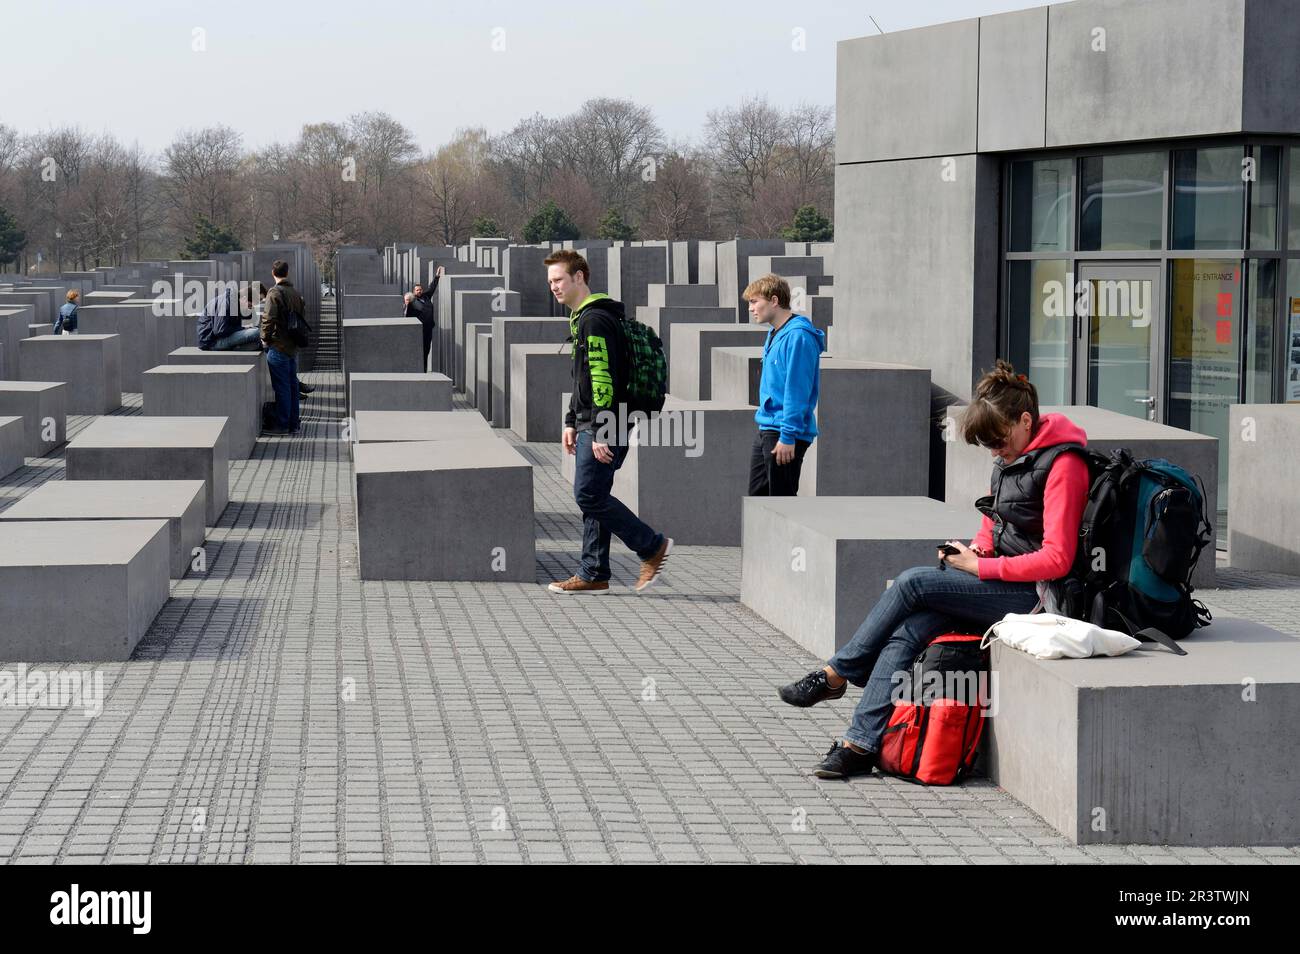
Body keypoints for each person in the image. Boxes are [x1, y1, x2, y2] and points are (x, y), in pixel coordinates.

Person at [777, 361, 1091, 779]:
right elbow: (992, 519)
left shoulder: (1065, 466)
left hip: (1037, 596)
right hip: (999, 579)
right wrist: (975, 549)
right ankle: (859, 744)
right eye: (988, 445)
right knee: (911, 628)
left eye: (998, 440)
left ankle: (837, 673)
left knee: (911, 582)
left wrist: (981, 567)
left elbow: (1058, 559)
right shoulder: (1014, 455)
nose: (995, 451)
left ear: (1026, 421)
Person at [546, 249, 672, 594]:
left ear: (579, 277)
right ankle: (594, 572)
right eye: (551, 282)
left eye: (558, 280)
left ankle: (651, 546)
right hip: (596, 421)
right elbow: (582, 379)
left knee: (588, 495)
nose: (554, 287)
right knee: (596, 493)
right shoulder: (586, 318)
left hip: (605, 423)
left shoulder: (594, 320)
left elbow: (603, 379)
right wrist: (571, 420)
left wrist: (602, 429)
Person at [745, 274, 824, 496]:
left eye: (754, 301)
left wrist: (788, 436)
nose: (751, 309)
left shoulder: (799, 336)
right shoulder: (774, 333)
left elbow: (797, 390)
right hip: (767, 427)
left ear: (774, 300)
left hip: (785, 432)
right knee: (757, 499)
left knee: (781, 503)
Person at [259, 259, 305, 435]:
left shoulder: (274, 293)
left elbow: (268, 318)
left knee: (282, 388)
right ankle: (294, 424)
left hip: (278, 346)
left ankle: (282, 425)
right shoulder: (295, 293)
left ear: (273, 272)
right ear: (287, 272)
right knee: (292, 386)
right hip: (292, 347)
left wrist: (264, 338)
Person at [199, 283, 261, 351]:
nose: (250, 309)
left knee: (258, 338)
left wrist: (245, 328)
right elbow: (220, 331)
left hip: (220, 338)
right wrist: (243, 328)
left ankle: (238, 347)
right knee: (257, 332)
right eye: (249, 306)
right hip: (212, 342)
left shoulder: (235, 303)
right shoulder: (226, 303)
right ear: (244, 298)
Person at [404, 266, 443, 371]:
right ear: (414, 292)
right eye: (417, 290)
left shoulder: (426, 297)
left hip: (428, 329)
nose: (419, 291)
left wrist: (437, 276)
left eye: (420, 289)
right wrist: (407, 305)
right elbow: (406, 316)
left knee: (426, 350)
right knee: (418, 350)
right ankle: (418, 369)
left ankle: (424, 370)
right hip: (418, 330)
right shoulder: (412, 302)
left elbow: (432, 287)